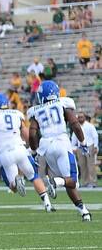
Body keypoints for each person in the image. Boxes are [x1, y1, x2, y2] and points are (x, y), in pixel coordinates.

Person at [27, 81, 91, 220]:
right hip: (62, 143)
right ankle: (55, 182)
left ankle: (83, 211)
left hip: (46, 147)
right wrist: (83, 142)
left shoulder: (36, 110)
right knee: (72, 180)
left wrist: (33, 151)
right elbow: (74, 123)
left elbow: (32, 134)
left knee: (67, 181)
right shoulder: (63, 103)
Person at [0, 93, 53, 210]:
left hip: (4, 153)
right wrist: (33, 149)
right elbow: (26, 133)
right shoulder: (16, 114)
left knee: (13, 188)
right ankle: (47, 203)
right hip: (20, 149)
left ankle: (16, 182)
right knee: (34, 176)